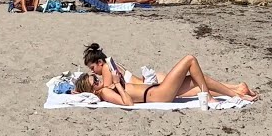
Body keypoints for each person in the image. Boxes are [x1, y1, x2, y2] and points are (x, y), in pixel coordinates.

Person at [75, 44, 257, 107]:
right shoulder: (105, 91)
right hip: (158, 94)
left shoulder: (106, 83)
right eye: (95, 80)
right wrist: (117, 85)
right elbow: (128, 103)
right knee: (190, 59)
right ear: (92, 90)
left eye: (95, 75)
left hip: (156, 90)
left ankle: (238, 92)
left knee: (199, 79)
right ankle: (208, 98)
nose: (96, 77)